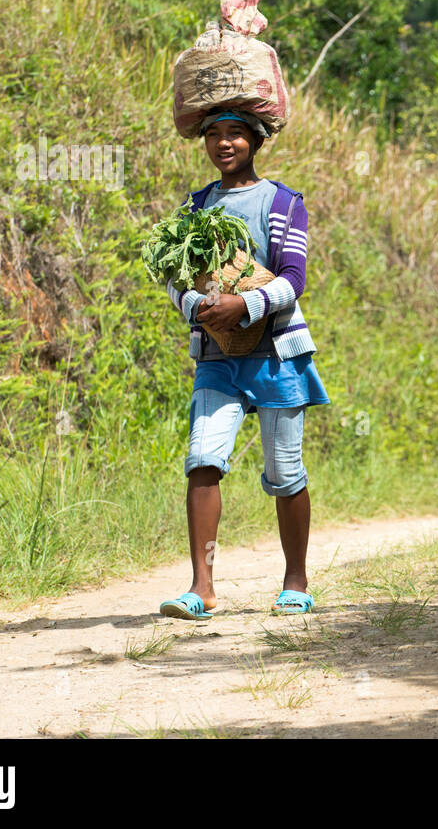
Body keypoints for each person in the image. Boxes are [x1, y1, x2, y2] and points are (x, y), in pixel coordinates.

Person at [158, 108, 329, 620]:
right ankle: (201, 587)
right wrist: (196, 307)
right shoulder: (195, 207)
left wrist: (245, 306)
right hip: (216, 356)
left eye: (234, 134)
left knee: (284, 473)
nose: (223, 143)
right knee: (202, 460)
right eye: (213, 134)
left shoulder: (282, 202)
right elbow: (175, 274)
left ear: (255, 140)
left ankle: (295, 581)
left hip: (276, 354)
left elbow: (293, 277)